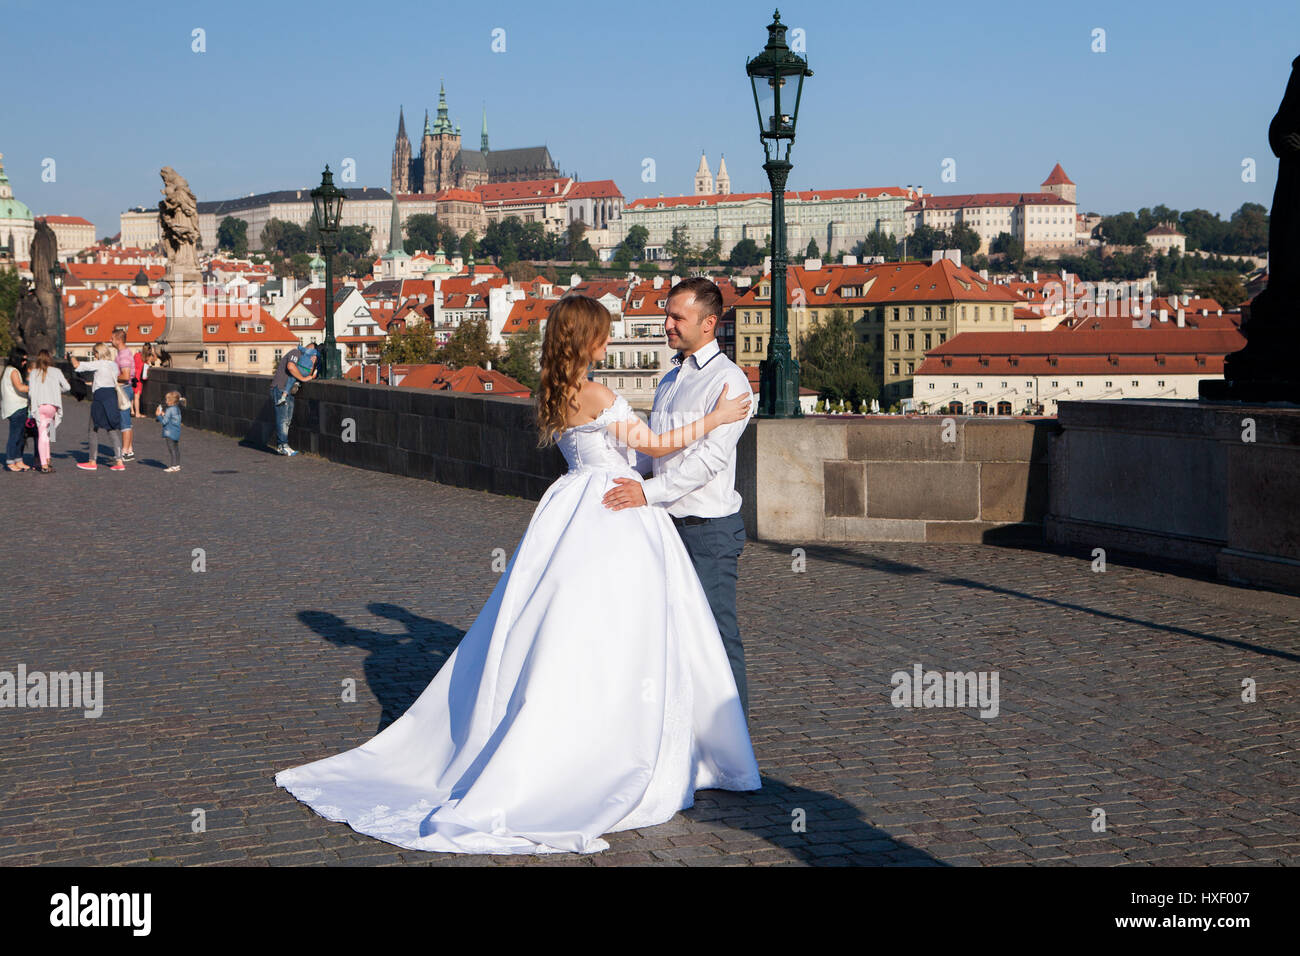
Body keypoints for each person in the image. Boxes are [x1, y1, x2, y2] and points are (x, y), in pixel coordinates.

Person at [275, 294, 760, 854]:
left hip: (576, 508)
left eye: (676, 317)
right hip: (617, 511)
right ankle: (630, 744)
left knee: (571, 629)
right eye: (603, 333)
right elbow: (655, 445)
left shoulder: (556, 392)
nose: (617, 338)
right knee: (629, 634)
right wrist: (720, 417)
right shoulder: (600, 392)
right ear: (589, 342)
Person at [603, 277, 757, 720]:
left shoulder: (730, 382)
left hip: (707, 529)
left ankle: (733, 739)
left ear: (708, 323)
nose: (666, 324)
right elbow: (660, 447)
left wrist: (646, 493)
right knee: (668, 634)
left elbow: (707, 461)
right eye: (666, 314)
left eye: (677, 317)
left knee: (716, 634)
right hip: (666, 524)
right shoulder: (671, 376)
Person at [71, 344, 126, 471]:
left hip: (100, 397)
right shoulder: (113, 365)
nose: (94, 356)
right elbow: (107, 379)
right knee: (111, 428)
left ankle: (92, 461)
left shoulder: (99, 363)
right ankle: (119, 461)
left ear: (98, 353)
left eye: (94, 353)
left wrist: (72, 356)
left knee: (93, 429)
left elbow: (77, 366)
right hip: (111, 396)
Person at [26, 349, 70, 474]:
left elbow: (30, 393)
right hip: (52, 407)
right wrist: (55, 390)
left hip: (39, 407)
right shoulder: (56, 371)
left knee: (42, 434)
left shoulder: (34, 373)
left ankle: (44, 464)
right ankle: (48, 459)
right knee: (48, 434)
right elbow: (67, 387)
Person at [269, 343, 318, 456]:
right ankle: (283, 445)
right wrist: (303, 379)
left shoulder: (305, 360)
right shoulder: (295, 353)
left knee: (287, 419)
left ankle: (283, 445)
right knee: (282, 419)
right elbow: (290, 366)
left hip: (288, 391)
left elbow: (307, 372)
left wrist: (313, 363)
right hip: (280, 388)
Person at [3, 348, 31, 472]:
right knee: (15, 435)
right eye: (23, 359)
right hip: (16, 407)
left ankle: (18, 460)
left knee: (20, 435)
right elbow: (20, 387)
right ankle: (10, 461)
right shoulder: (13, 371)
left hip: (16, 407)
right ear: (17, 358)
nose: (25, 362)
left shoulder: (8, 370)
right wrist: (36, 388)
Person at [110, 329, 136, 460]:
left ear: (118, 340)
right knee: (127, 421)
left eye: (112, 338)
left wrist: (113, 377)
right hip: (126, 389)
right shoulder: (122, 353)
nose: (111, 340)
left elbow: (125, 376)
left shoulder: (124, 354)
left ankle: (125, 451)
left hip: (124, 389)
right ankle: (129, 449)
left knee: (124, 422)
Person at [155, 390, 185, 472]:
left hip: (169, 432)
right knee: (176, 449)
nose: (166, 401)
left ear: (170, 401)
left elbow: (164, 422)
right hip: (176, 432)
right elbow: (173, 419)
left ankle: (173, 466)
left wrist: (158, 415)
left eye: (167, 399)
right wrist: (164, 414)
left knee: (171, 449)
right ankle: (177, 465)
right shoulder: (177, 409)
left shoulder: (169, 409)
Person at [131, 343, 148, 418]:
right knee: (137, 396)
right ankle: (137, 413)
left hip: (133, 376)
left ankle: (132, 411)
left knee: (132, 395)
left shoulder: (137, 355)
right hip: (139, 377)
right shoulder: (145, 358)